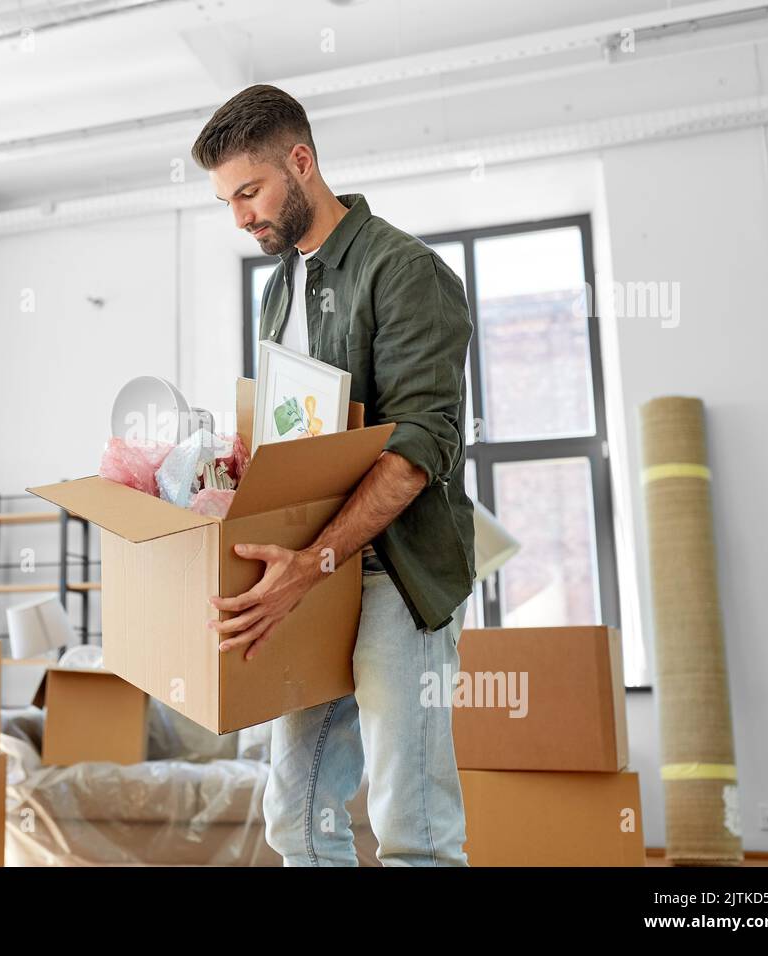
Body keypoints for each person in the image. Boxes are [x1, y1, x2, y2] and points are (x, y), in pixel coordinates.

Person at [190, 84, 476, 866]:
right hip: (308, 575)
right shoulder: (280, 289)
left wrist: (313, 562)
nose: (240, 217)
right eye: (227, 201)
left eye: (249, 192)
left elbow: (421, 447)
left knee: (412, 828)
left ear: (302, 162)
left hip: (395, 573)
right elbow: (293, 437)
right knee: (298, 817)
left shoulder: (405, 270)